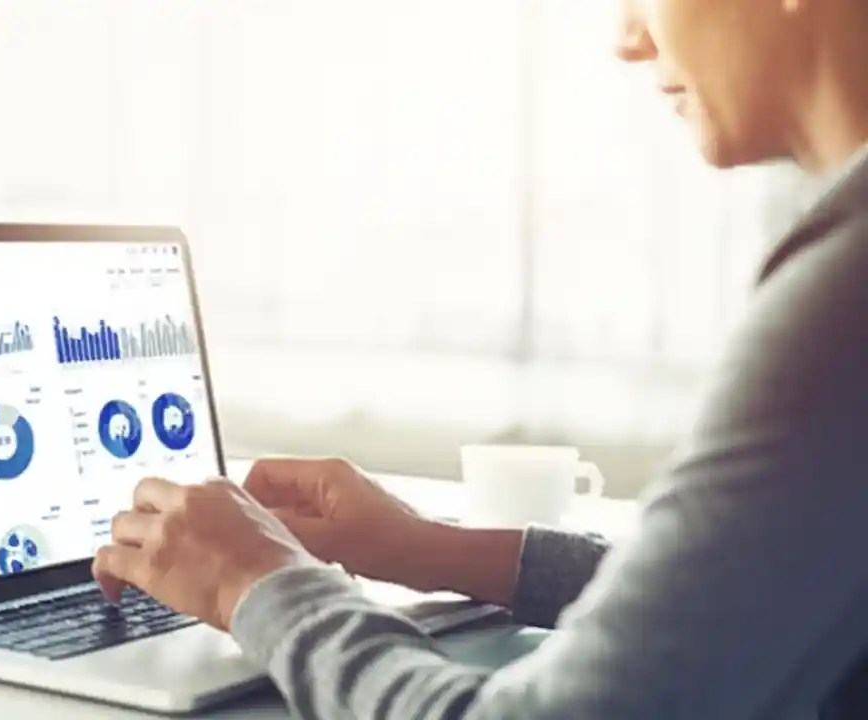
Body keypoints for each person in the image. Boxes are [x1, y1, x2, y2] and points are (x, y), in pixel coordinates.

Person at [92, 0, 868, 716]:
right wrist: (425, 547)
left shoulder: (841, 305)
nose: (629, 39)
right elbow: (733, 600)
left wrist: (254, 584)